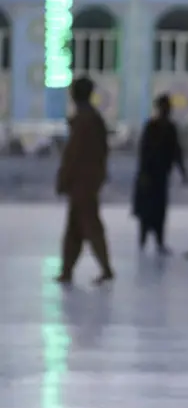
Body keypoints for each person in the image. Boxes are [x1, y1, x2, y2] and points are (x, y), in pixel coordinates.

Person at [55, 76, 115, 286]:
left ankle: (105, 268)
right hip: (88, 179)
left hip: (82, 181)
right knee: (76, 226)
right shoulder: (92, 118)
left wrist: (64, 177)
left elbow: (74, 153)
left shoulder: (84, 120)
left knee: (89, 224)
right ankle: (67, 270)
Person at [132, 94, 188, 254]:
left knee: (159, 209)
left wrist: (182, 171)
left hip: (161, 174)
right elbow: (144, 152)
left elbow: (176, 152)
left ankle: (158, 240)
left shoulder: (169, 128)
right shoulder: (153, 127)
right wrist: (143, 172)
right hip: (150, 173)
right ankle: (144, 240)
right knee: (147, 209)